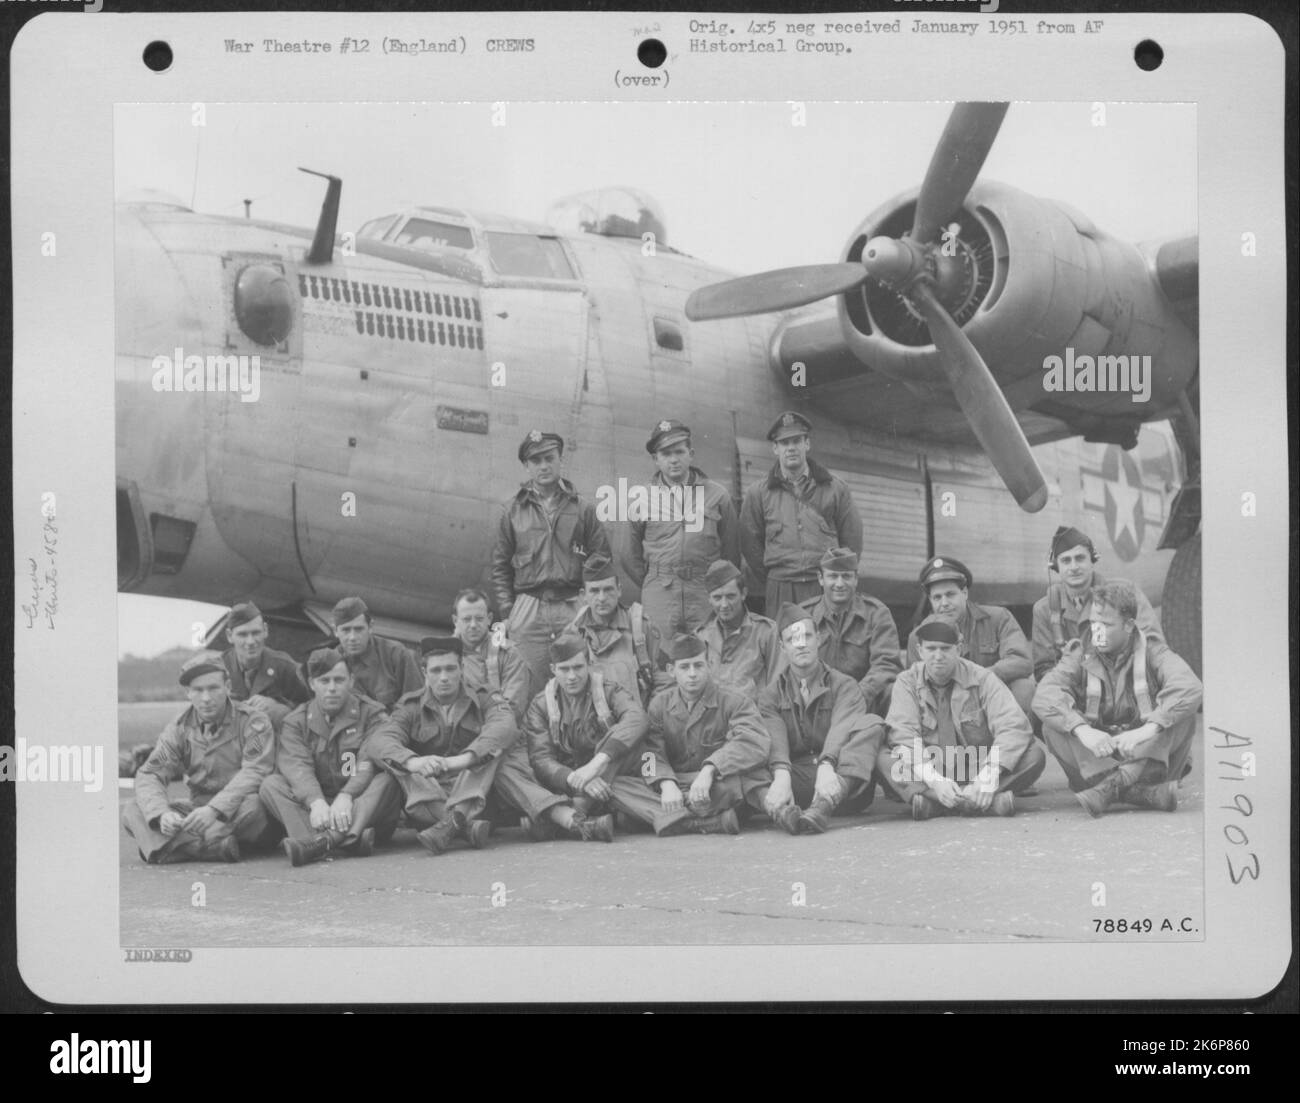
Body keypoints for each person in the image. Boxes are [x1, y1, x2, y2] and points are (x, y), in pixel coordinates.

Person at [1033, 580, 1201, 817]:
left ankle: (1109, 790)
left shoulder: (1153, 651)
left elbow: (1189, 686)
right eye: (1093, 623)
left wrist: (1147, 730)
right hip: (1098, 758)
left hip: (1145, 752)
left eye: (1106, 624)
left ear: (1129, 625)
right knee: (1053, 726)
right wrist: (1083, 730)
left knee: (1183, 715)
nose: (1096, 631)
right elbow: (1045, 694)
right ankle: (1142, 793)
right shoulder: (1080, 652)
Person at [366, 637, 520, 855]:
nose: (444, 677)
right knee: (396, 763)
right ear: (425, 673)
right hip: (429, 799)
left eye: (450, 669)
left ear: (462, 668)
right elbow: (378, 741)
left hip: (477, 800)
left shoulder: (484, 697)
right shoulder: (410, 706)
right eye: (436, 671)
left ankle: (456, 820)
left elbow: (505, 727)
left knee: (493, 750)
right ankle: (461, 826)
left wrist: (461, 760)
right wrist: (414, 762)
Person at [122, 652, 279, 863]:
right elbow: (151, 773)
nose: (206, 698)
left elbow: (256, 771)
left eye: (213, 688)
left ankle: (171, 847)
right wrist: (162, 814)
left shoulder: (253, 721)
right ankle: (209, 848)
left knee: (256, 806)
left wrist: (214, 810)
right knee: (133, 809)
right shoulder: (179, 728)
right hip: (197, 811)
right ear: (188, 693)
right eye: (198, 690)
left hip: (235, 809)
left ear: (228, 687)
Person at [880, 620, 1045, 820]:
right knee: (884, 757)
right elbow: (903, 734)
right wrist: (934, 781)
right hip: (930, 767)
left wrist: (989, 774)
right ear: (919, 650)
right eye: (931, 648)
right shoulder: (907, 681)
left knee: (1034, 756)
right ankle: (981, 803)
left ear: (958, 649)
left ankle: (936, 804)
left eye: (945, 649)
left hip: (976, 766)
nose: (938, 656)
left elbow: (1013, 726)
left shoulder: (983, 678)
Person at [489, 428, 612, 691]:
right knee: (527, 683)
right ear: (526, 466)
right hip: (528, 607)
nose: (543, 466)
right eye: (536, 461)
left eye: (549, 458)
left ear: (560, 460)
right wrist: (509, 613)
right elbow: (500, 567)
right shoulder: (511, 511)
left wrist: (588, 606)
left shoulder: (583, 508)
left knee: (578, 681)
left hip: (572, 606)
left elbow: (601, 559)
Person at [258, 648, 399, 866]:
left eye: (339, 680)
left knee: (388, 780)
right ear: (312, 683)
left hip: (363, 805)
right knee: (270, 784)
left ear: (351, 681)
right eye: (324, 681)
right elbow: (297, 766)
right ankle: (351, 840)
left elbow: (368, 762)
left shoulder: (372, 714)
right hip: (321, 809)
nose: (332, 688)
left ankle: (321, 842)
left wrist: (347, 795)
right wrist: (315, 802)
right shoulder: (296, 721)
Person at [500, 635, 648, 843]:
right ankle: (574, 817)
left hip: (607, 774)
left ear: (589, 665)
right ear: (553, 669)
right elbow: (541, 758)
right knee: (511, 765)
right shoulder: (541, 705)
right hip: (567, 782)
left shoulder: (609, 691)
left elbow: (637, 718)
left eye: (578, 668)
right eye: (564, 669)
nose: (572, 676)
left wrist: (598, 763)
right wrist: (577, 780)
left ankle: (556, 820)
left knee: (630, 744)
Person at [756, 604, 885, 834]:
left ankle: (823, 806)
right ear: (782, 647)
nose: (802, 644)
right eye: (793, 639)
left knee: (872, 724)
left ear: (819, 638)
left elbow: (842, 728)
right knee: (747, 750)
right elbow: (775, 740)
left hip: (842, 783)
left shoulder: (844, 685)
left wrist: (827, 765)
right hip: (793, 783)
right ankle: (782, 812)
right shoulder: (770, 695)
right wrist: (782, 774)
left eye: (807, 636)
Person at [625, 635, 771, 835]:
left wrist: (710, 769)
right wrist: (666, 784)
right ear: (671, 671)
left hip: (714, 785)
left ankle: (661, 816)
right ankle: (703, 823)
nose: (692, 674)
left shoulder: (735, 701)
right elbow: (648, 754)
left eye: (698, 666)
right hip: (676, 781)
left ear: (710, 665)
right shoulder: (659, 704)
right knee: (618, 785)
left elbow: (754, 743)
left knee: (736, 785)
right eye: (684, 667)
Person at [739, 410, 863, 614]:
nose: (791, 448)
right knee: (784, 643)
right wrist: (775, 577)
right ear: (775, 448)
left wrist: (834, 576)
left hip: (823, 586)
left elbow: (853, 540)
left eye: (796, 441)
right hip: (781, 588)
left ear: (807, 444)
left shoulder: (835, 489)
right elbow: (749, 544)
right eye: (784, 443)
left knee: (826, 643)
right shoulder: (758, 494)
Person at [626, 418, 740, 635]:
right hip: (659, 594)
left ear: (691, 454)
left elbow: (732, 551)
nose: (674, 460)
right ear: (655, 459)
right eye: (666, 454)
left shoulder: (717, 495)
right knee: (660, 657)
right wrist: (655, 579)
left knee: (708, 653)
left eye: (679, 452)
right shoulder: (640, 499)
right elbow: (628, 555)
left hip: (704, 592)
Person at [905, 556, 1036, 718]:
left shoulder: (998, 618)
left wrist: (976, 678)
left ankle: (1018, 740)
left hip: (991, 698)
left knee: (1023, 687)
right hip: (946, 707)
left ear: (965, 593)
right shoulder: (919, 636)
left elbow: (1021, 661)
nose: (944, 603)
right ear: (930, 600)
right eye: (937, 597)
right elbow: (915, 684)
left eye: (950, 594)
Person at [1031, 526, 1162, 681]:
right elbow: (1044, 668)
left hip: (1124, 682)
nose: (1074, 567)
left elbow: (1153, 644)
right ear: (1056, 567)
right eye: (1066, 560)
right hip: (1074, 688)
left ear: (1092, 561)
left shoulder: (1126, 592)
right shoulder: (1045, 609)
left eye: (1080, 558)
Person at [801, 546, 901, 717]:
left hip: (864, 702)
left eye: (846, 576)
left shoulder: (876, 613)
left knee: (894, 691)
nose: (839, 584)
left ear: (856, 579)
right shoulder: (804, 615)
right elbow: (792, 666)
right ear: (820, 578)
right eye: (833, 576)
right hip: (817, 704)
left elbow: (886, 665)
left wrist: (857, 695)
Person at [563, 553, 670, 705]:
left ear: (619, 590)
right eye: (594, 591)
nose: (601, 598)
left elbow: (663, 679)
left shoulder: (641, 627)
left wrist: (652, 715)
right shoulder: (573, 633)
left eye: (608, 589)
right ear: (583, 595)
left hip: (635, 718)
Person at [693, 560, 781, 698]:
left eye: (730, 596)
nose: (724, 605)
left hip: (754, 715)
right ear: (709, 599)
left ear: (743, 594)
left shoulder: (765, 632)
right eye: (717, 598)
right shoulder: (701, 637)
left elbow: (778, 683)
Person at [219, 601, 310, 729]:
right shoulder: (220, 668)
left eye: (256, 633)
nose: (250, 641)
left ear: (265, 631)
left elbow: (312, 709)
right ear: (229, 636)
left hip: (278, 741)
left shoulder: (284, 666)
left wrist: (279, 708)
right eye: (242, 634)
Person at [451, 588, 532, 719]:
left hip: (496, 727)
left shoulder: (509, 654)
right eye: (466, 619)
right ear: (455, 621)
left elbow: (513, 708)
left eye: (479, 618)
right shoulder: (444, 654)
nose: (473, 625)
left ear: (489, 619)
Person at [330, 596, 422, 711]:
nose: (352, 637)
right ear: (335, 631)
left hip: (393, 726)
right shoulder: (330, 663)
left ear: (370, 627)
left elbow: (415, 707)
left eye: (359, 629)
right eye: (346, 630)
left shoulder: (396, 654)